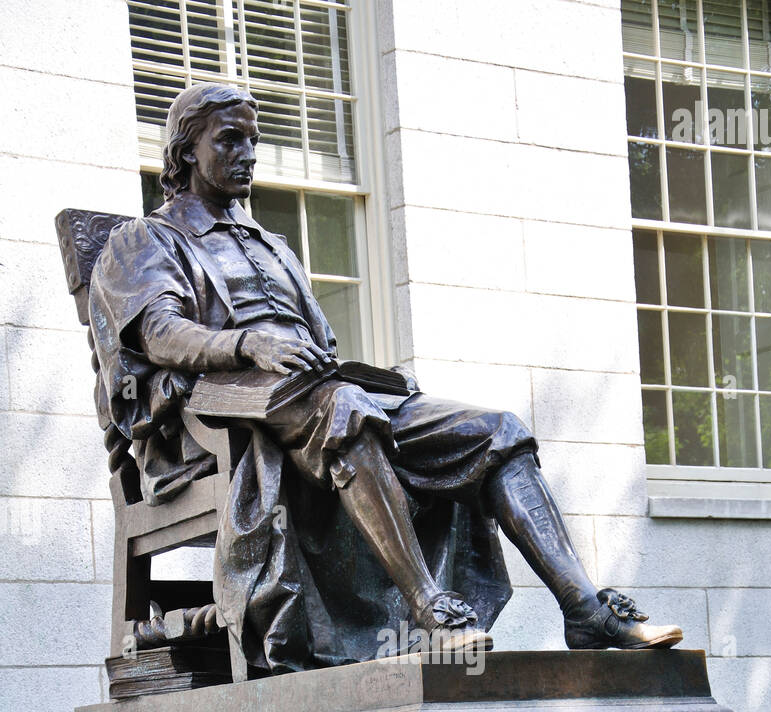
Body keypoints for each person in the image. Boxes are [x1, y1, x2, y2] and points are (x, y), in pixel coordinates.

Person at [90, 83, 682, 673]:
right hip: (225, 403)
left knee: (497, 431)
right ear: (187, 150)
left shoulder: (270, 244)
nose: (247, 153)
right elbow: (160, 333)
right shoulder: (144, 239)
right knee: (346, 406)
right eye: (229, 140)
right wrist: (249, 343)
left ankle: (583, 608)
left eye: (254, 139)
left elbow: (321, 344)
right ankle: (427, 609)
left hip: (320, 389)